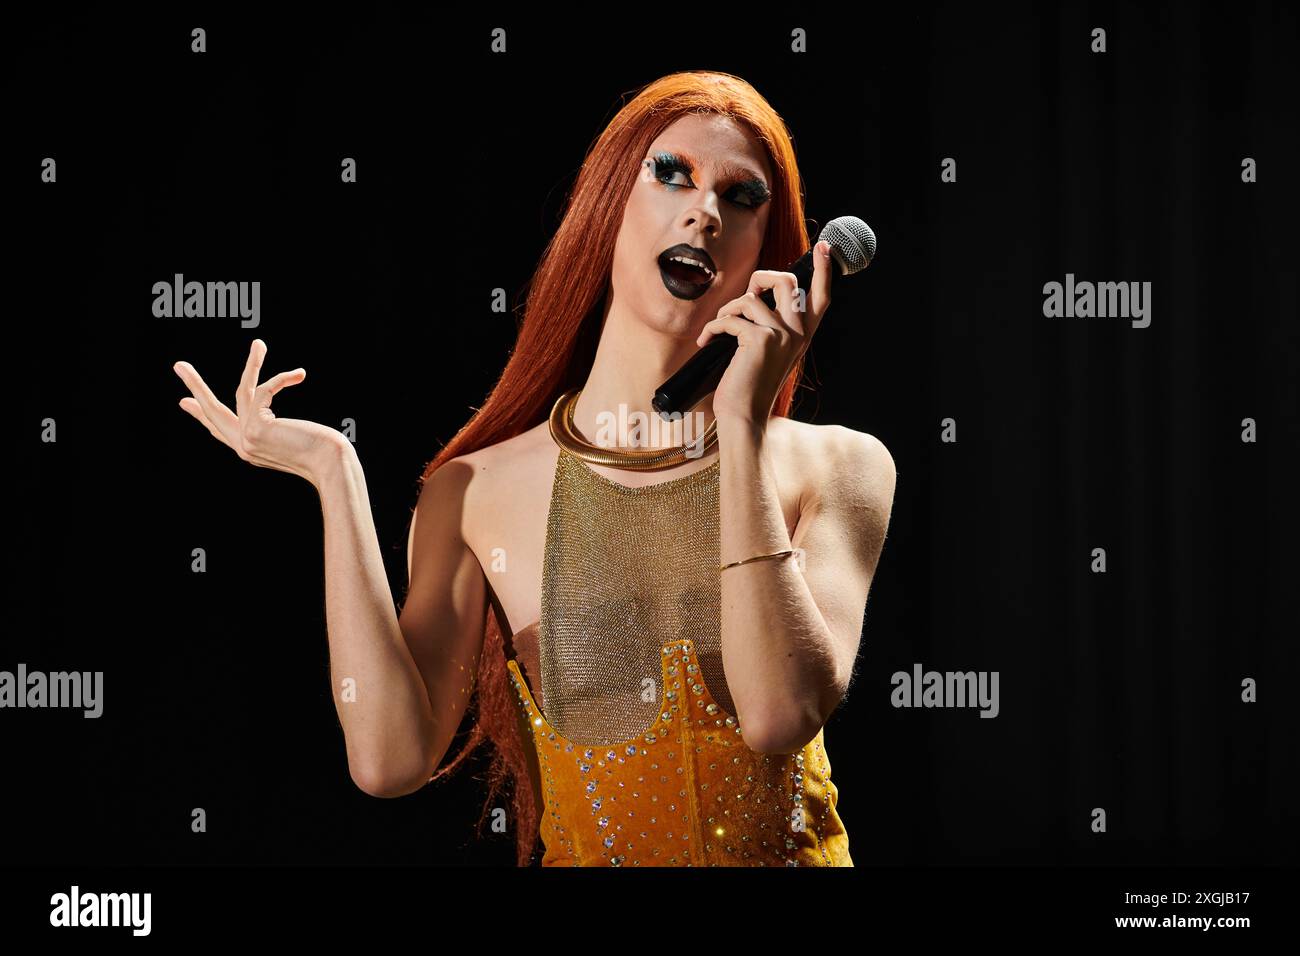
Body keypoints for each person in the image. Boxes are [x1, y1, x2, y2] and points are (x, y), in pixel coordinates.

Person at [171, 70, 896, 867]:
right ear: (610, 205)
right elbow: (389, 760)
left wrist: (740, 426)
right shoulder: (471, 494)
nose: (705, 211)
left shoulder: (841, 467)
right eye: (671, 173)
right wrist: (333, 473)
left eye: (742, 196)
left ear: (771, 252)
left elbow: (779, 713)